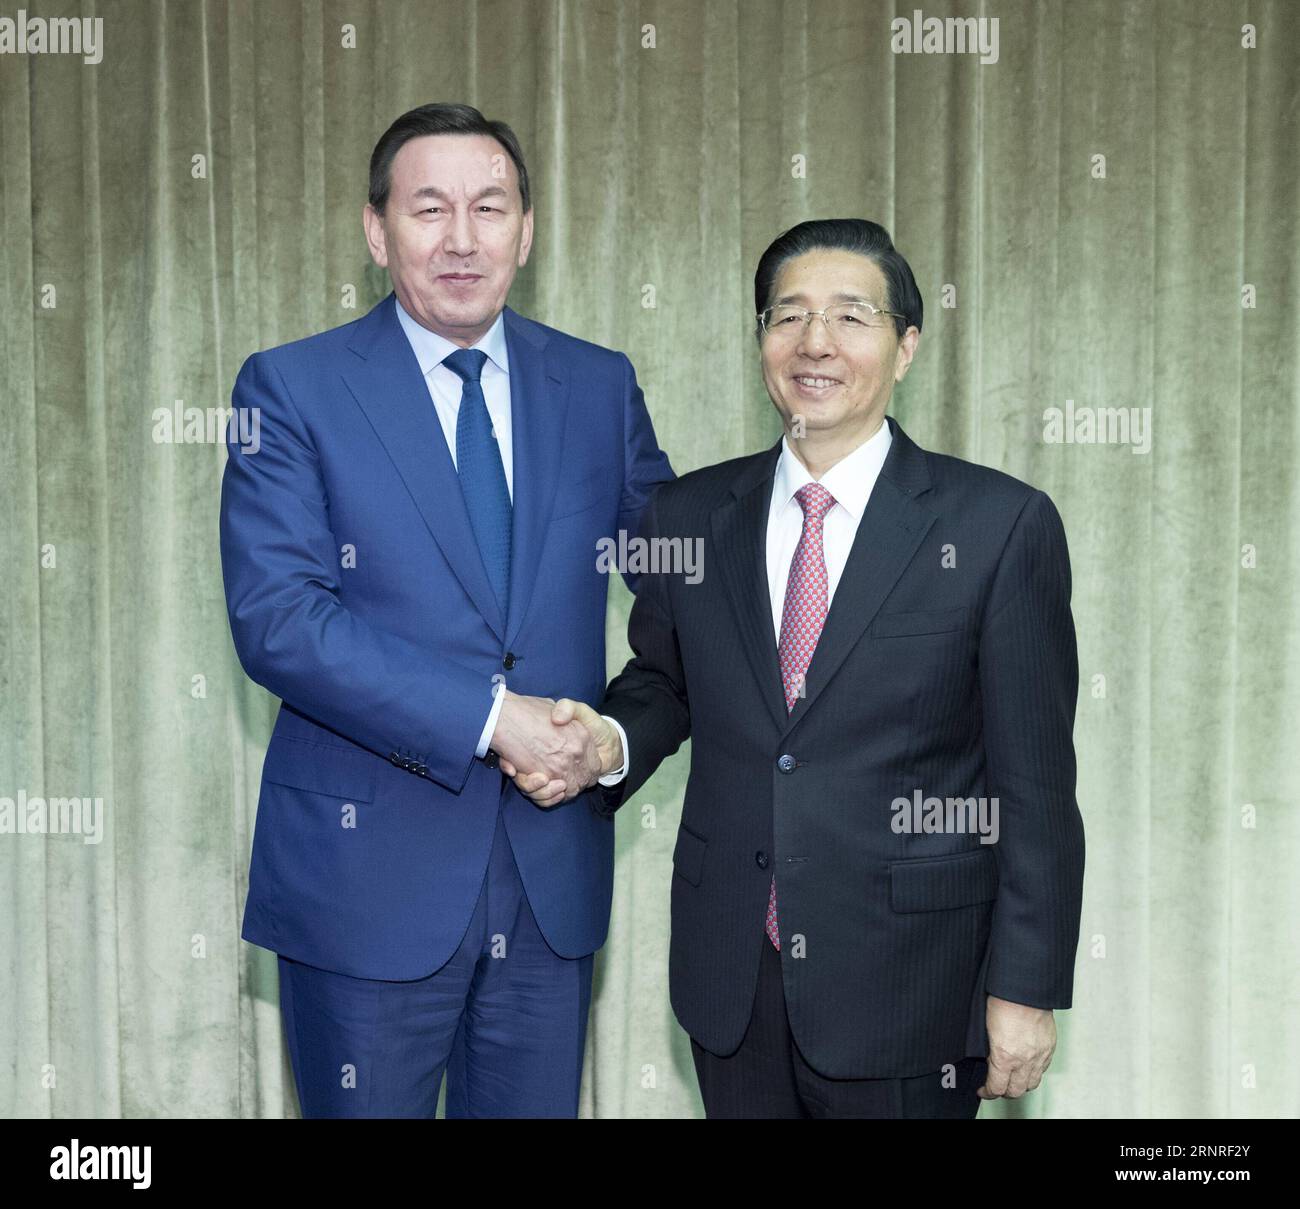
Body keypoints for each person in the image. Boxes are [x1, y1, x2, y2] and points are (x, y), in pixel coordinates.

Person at [512, 219, 1085, 1119]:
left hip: (912, 985)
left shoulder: (996, 526)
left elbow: (1038, 786)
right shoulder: (690, 514)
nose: (815, 342)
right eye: (789, 316)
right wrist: (606, 741)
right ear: (761, 342)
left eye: (851, 317)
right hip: (734, 975)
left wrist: (1026, 985)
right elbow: (664, 681)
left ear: (906, 346)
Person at [219, 102, 673, 1118]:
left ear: (527, 230)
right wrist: (492, 716)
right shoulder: (289, 389)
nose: (461, 238)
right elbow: (280, 618)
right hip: (363, 886)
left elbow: (683, 588)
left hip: (551, 881)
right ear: (377, 231)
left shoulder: (597, 386)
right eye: (429, 209)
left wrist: (611, 736)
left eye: (489, 207)